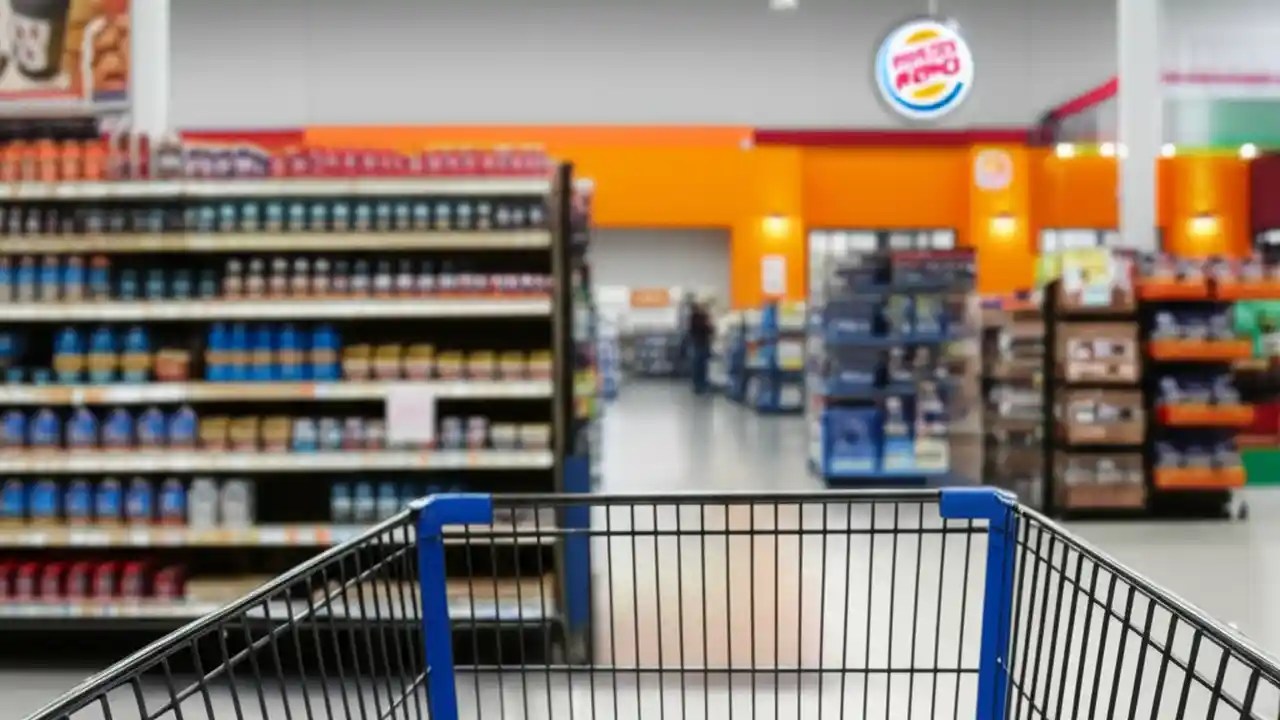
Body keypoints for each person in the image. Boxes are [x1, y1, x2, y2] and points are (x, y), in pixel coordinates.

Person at [688, 300, 714, 394]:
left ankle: (700, 385)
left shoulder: (698, 318)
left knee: (701, 366)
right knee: (699, 366)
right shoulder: (697, 318)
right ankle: (699, 385)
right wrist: (707, 322)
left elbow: (710, 330)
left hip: (701, 344)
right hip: (700, 344)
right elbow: (708, 329)